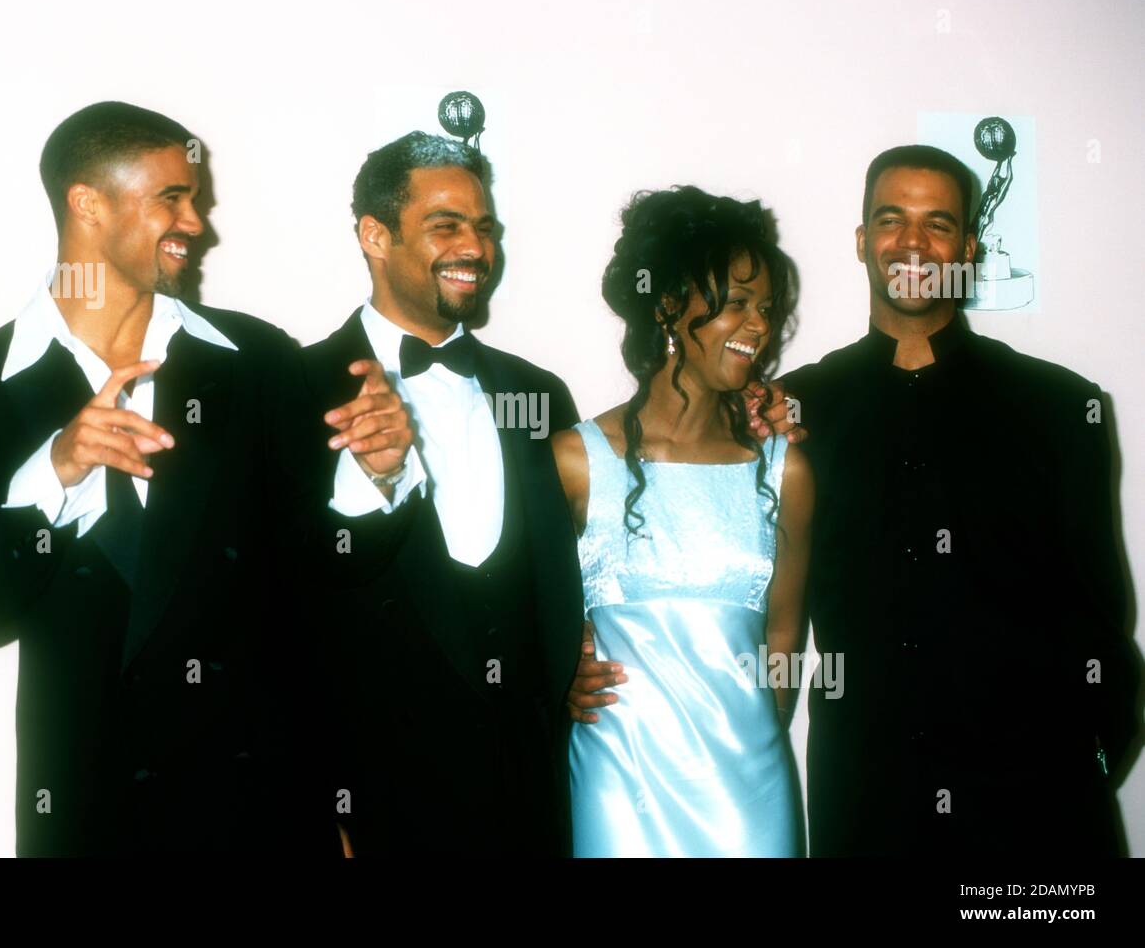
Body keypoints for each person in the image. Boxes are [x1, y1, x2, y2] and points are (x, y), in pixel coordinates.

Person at [571, 146, 1141, 856]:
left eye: (938, 224)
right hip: (871, 805)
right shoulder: (790, 416)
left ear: (968, 245)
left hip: (1038, 810)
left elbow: (1103, 626)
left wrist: (1083, 762)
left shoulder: (1062, 407)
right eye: (891, 219)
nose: (913, 242)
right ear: (862, 239)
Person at [0, 101, 403, 856]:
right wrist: (58, 468)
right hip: (92, 811)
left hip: (267, 809)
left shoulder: (260, 359)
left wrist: (374, 476)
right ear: (88, 204)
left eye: (195, 199)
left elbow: (324, 576)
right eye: (170, 199)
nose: (196, 223)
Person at [300, 131, 585, 856]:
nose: (475, 247)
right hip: (373, 812)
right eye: (445, 226)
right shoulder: (291, 394)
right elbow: (271, 618)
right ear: (374, 234)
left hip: (528, 806)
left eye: (484, 228)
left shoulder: (538, 393)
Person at [552, 187, 813, 856]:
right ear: (669, 304)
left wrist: (748, 737)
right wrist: (557, 676)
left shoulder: (785, 470)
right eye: (734, 302)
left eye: (764, 306)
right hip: (618, 787)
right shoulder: (578, 461)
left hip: (747, 798)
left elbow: (784, 633)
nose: (757, 324)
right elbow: (519, 622)